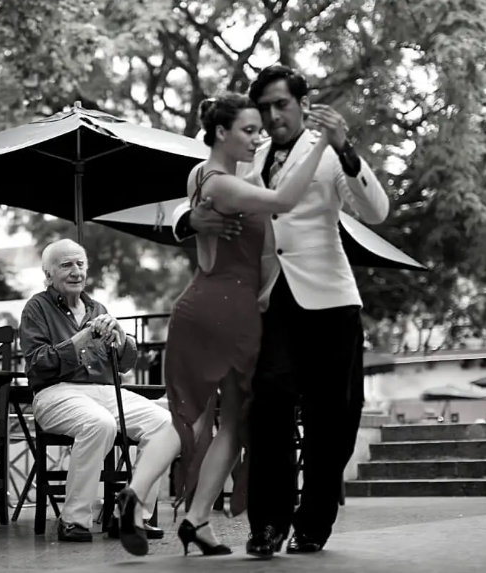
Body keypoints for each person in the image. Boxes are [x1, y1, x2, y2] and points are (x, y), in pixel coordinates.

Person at [171, 65, 389, 558]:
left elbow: (376, 211)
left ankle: (313, 523)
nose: (272, 116)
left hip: (330, 300)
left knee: (332, 417)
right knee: (266, 407)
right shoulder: (251, 153)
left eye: (281, 105)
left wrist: (347, 150)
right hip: (269, 301)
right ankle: (268, 524)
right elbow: (206, 186)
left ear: (302, 104)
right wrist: (189, 220)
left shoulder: (328, 152)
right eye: (264, 107)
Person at [116, 92, 335, 557]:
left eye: (259, 131)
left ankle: (185, 516)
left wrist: (190, 220)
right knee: (228, 422)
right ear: (221, 132)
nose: (257, 139)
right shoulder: (226, 185)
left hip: (198, 302)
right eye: (248, 131)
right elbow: (284, 199)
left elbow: (212, 221)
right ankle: (150, 498)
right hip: (231, 312)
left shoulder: (200, 175)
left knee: (198, 419)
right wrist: (322, 143)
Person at [20, 239, 171, 543]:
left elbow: (124, 364)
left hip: (103, 391)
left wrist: (121, 336)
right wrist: (83, 336)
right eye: (66, 265)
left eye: (80, 264)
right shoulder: (36, 307)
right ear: (48, 274)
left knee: (165, 424)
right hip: (54, 393)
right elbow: (37, 364)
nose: (76, 271)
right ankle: (74, 520)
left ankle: (130, 517)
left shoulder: (97, 308)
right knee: (99, 423)